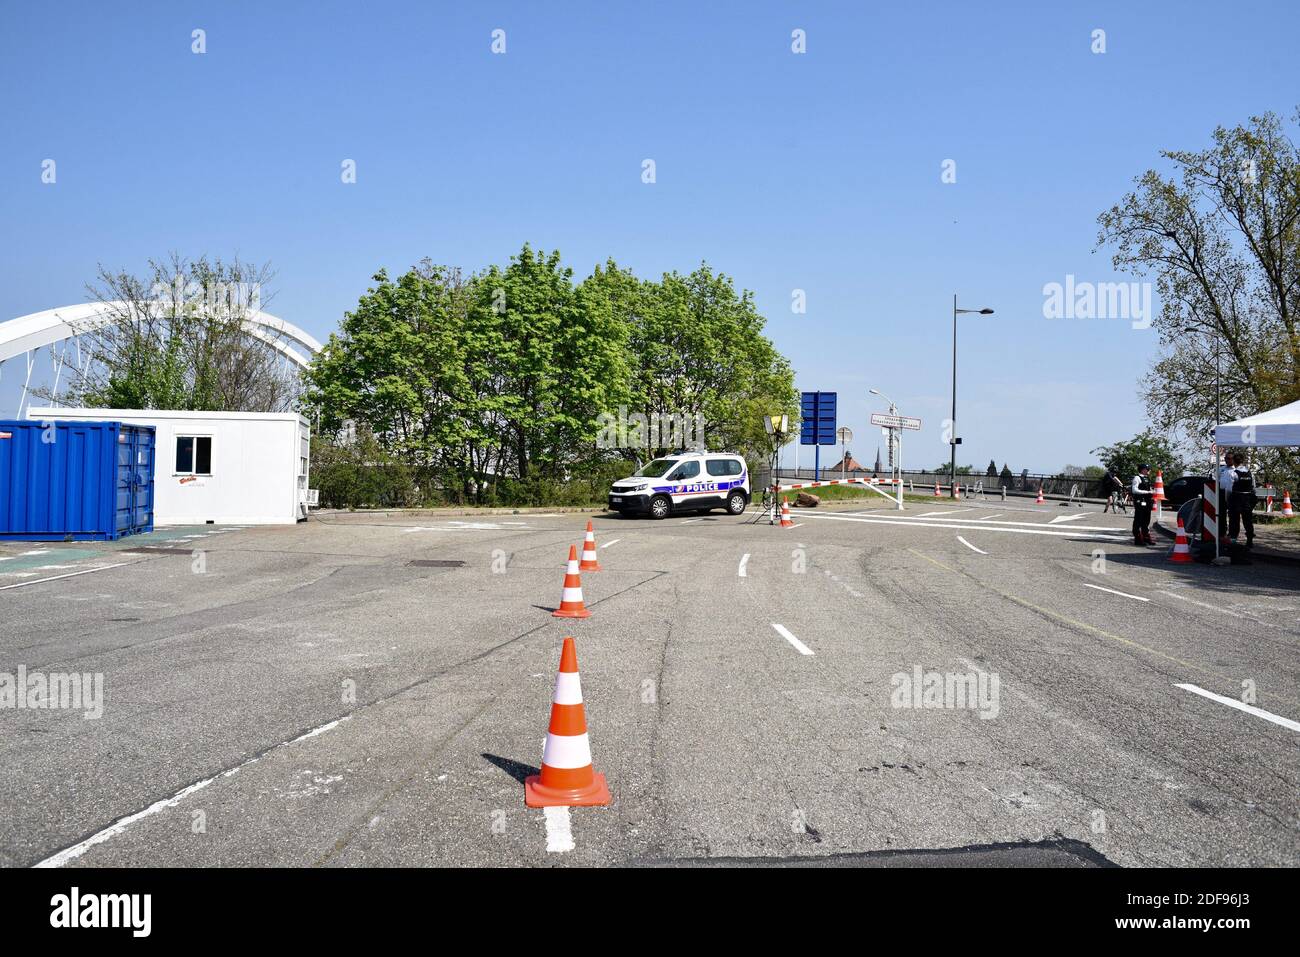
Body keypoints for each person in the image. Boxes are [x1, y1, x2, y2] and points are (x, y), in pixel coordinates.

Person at [1229, 452, 1256, 548]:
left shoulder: (1234, 473)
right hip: (1247, 499)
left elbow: (1229, 488)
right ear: (1243, 461)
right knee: (1248, 520)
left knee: (1234, 520)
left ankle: (1233, 540)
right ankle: (1249, 540)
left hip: (1236, 498)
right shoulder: (1250, 473)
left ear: (1234, 462)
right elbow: (1253, 488)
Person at [1130, 464, 1154, 546]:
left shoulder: (1147, 478)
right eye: (1148, 469)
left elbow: (1148, 488)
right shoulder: (1137, 478)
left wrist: (1152, 492)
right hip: (1140, 501)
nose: (1149, 471)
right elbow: (1134, 490)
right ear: (1143, 470)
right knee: (1138, 520)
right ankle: (1138, 538)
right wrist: (1147, 492)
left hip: (1147, 501)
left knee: (1146, 520)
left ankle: (1146, 537)